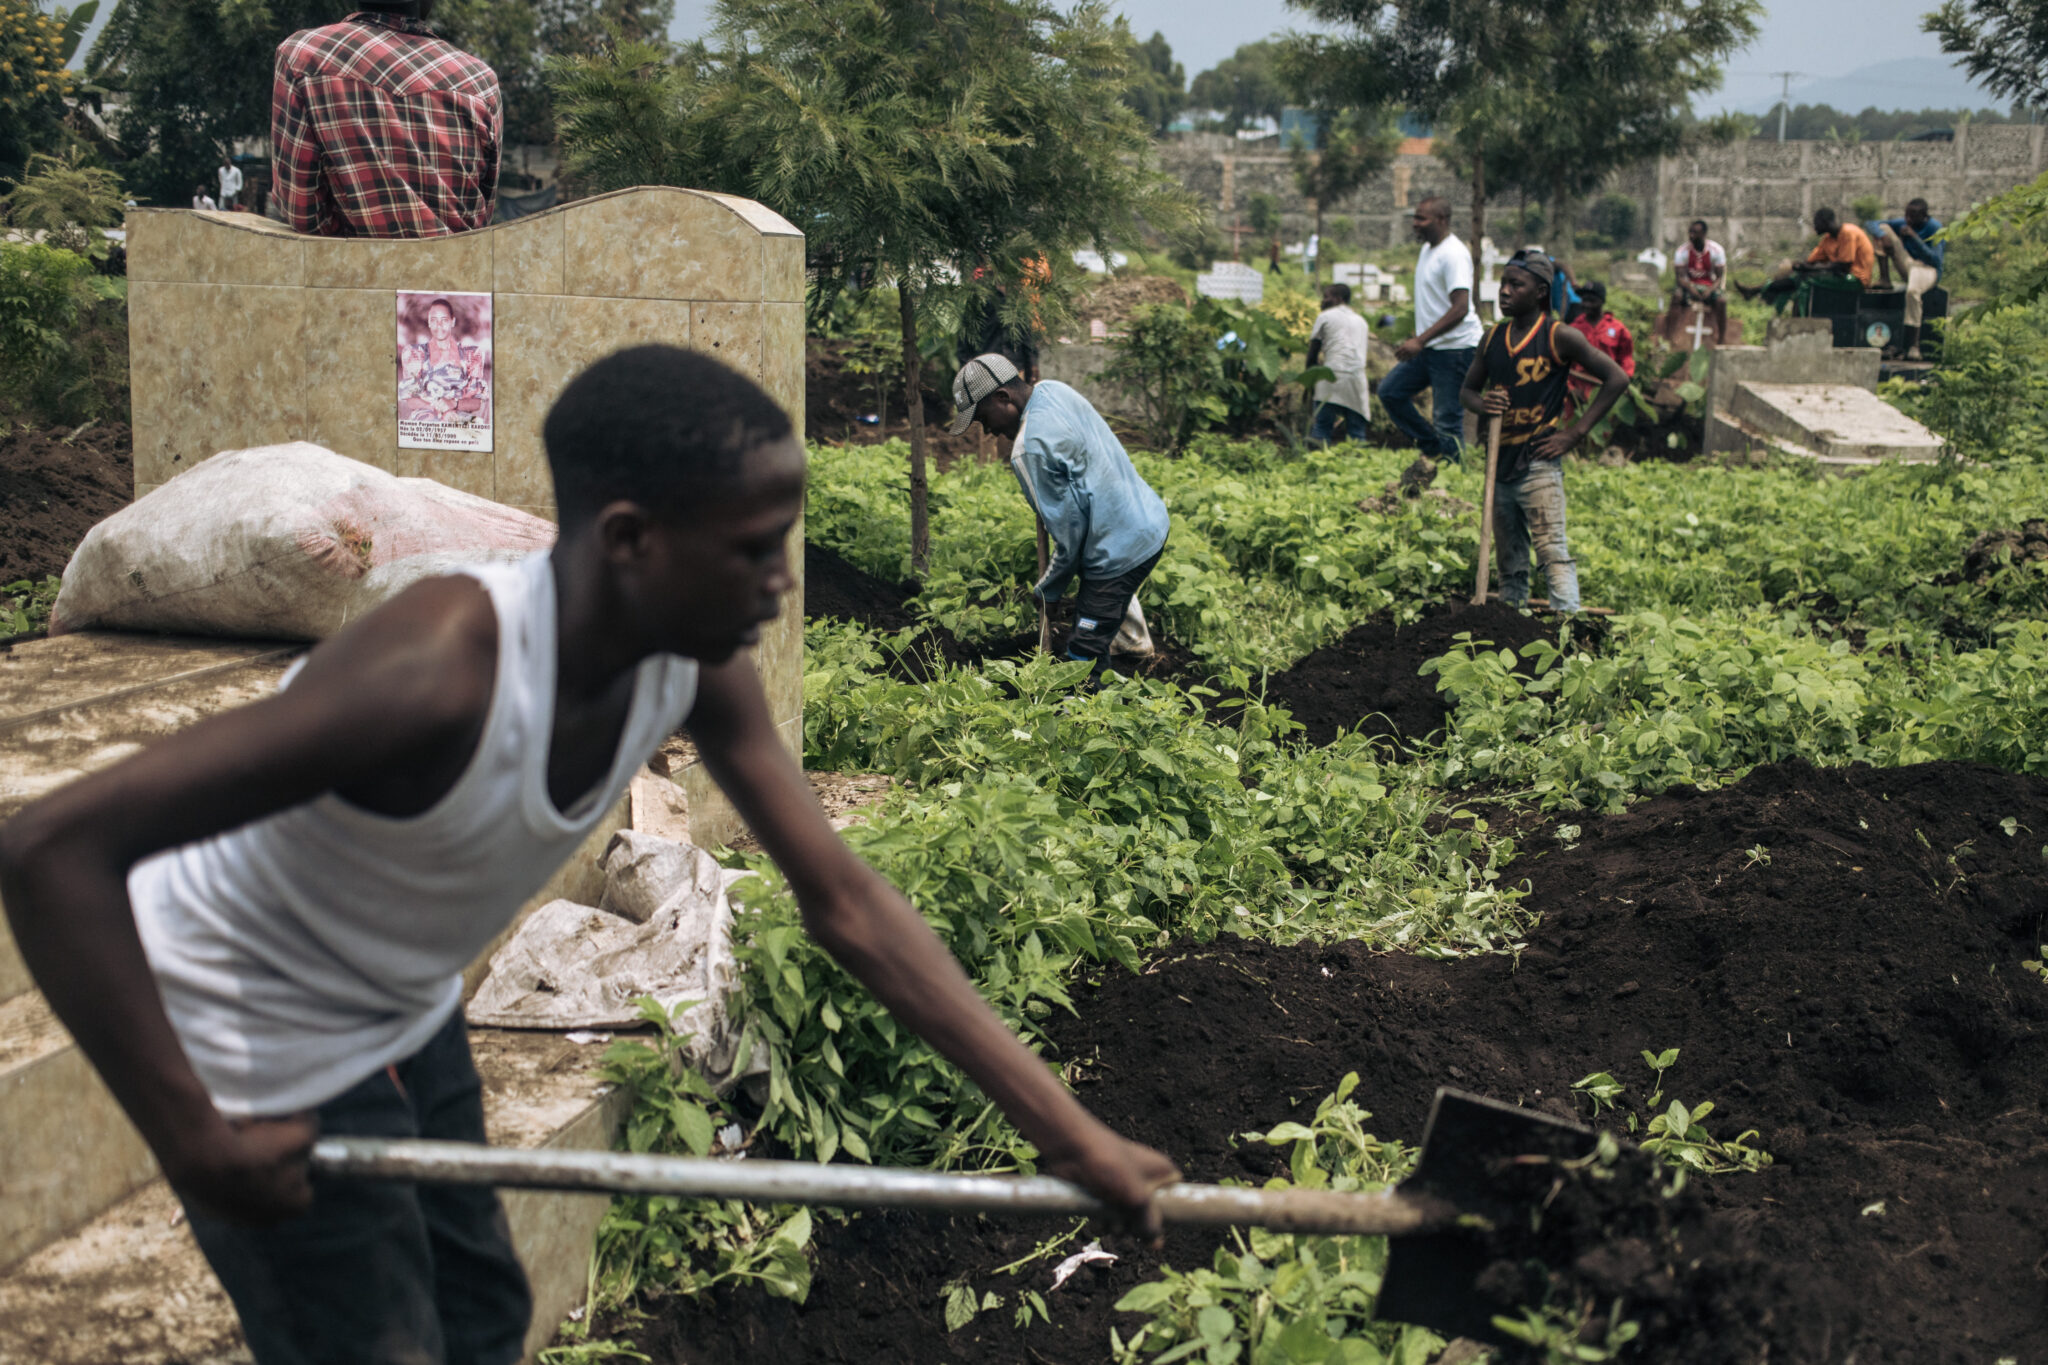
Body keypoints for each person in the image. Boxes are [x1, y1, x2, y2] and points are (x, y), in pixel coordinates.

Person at [0, 346, 1179, 1365]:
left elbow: (850, 905)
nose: (780, 584)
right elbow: (54, 849)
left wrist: (1071, 1136)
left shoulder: (693, 659)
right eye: (755, 551)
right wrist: (194, 1134)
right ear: (629, 539)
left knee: (479, 1315)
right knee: (373, 1340)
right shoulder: (437, 672)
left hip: (398, 1000)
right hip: (244, 1026)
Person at [948, 354, 1170, 682]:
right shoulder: (1055, 390)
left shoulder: (1028, 450)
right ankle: (1131, 643)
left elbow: (1070, 540)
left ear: (1003, 398)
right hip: (1148, 521)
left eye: (983, 419)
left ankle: (1088, 711)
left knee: (1083, 653)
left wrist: (1048, 591)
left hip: (1120, 549)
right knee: (1103, 591)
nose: (989, 431)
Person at [1459, 252, 1630, 614]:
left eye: (1514, 285)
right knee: (1510, 562)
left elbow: (1617, 378)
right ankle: (1509, 626)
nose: (1504, 292)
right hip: (1500, 464)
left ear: (1539, 292)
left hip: (1539, 462)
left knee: (1552, 551)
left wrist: (1575, 433)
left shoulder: (1558, 336)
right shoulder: (1492, 339)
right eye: (1503, 283)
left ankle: (1568, 626)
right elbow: (1467, 391)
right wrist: (1483, 404)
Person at [272, 0, 502, 237]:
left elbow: (302, 211)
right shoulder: (479, 82)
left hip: (354, 267)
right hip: (457, 267)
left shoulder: (303, 56)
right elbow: (483, 212)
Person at [1383, 196, 1484, 490]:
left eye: (1422, 218)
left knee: (1448, 421)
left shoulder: (1453, 254)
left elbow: (1461, 307)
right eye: (1415, 217)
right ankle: (1432, 447)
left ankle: (1454, 484)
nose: (1415, 223)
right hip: (1431, 348)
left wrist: (1419, 339)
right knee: (1391, 392)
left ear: (1442, 220)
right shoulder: (1429, 250)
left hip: (1455, 349)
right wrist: (1421, 340)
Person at [1738, 207, 1873, 312]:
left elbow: (1844, 265)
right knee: (1798, 275)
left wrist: (1811, 268)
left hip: (1856, 279)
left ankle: (1801, 318)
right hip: (1841, 276)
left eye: (1816, 223)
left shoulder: (1848, 232)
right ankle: (1760, 290)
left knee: (1806, 281)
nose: (1814, 227)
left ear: (1825, 221)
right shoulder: (1827, 240)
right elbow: (1810, 262)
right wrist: (1799, 266)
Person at [1868, 197, 1944, 360]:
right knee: (1883, 229)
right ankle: (1884, 278)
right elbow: (1872, 224)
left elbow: (1935, 260)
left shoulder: (1935, 228)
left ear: (1924, 216)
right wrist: (1883, 235)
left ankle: (1913, 346)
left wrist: (1914, 237)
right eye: (1906, 215)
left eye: (1912, 217)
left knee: (1912, 292)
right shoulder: (1903, 223)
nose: (1908, 220)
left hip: (1928, 270)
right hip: (1908, 263)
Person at [399, 296, 489, 423]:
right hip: (426, 420)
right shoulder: (414, 353)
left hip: (458, 418)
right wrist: (443, 411)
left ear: (452, 321)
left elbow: (476, 403)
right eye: (434, 320)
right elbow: (412, 401)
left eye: (444, 320)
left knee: (478, 428)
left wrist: (453, 404)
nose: (439, 325)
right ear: (429, 322)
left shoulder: (471, 355)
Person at [1305, 282, 1373, 446]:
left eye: (1326, 297)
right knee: (1357, 433)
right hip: (1357, 378)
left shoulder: (1325, 317)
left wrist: (1309, 382)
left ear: (1338, 298)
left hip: (1330, 375)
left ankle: (1316, 465)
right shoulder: (1361, 321)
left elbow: (1312, 353)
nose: (1323, 302)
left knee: (1321, 428)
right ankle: (1360, 468)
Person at [1566, 281, 1634, 406]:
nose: (1587, 305)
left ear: (1602, 301)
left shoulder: (1618, 329)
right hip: (1577, 391)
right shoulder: (1572, 329)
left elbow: (1626, 358)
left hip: (1606, 388)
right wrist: (1571, 389)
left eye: (1592, 301)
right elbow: (1563, 364)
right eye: (1584, 300)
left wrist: (1622, 382)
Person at [1670, 219, 1728, 343]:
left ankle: (1721, 338)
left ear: (1704, 234)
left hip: (1709, 286)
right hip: (1689, 286)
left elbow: (1719, 277)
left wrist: (1710, 290)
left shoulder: (1716, 250)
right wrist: (1690, 288)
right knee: (1676, 297)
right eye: (1690, 232)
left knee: (1721, 302)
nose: (1691, 235)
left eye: (1695, 232)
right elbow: (1679, 277)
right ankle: (1669, 336)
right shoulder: (1682, 251)